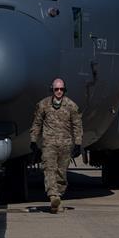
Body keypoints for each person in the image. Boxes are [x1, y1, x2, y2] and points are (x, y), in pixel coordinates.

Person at [30, 77, 83, 214]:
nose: (59, 91)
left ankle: (58, 198)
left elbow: (77, 125)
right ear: (52, 90)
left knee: (61, 174)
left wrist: (78, 144)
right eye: (56, 89)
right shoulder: (43, 105)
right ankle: (53, 196)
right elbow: (37, 123)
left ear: (64, 90)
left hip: (65, 145)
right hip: (49, 144)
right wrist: (33, 141)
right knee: (49, 170)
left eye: (61, 89)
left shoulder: (71, 106)